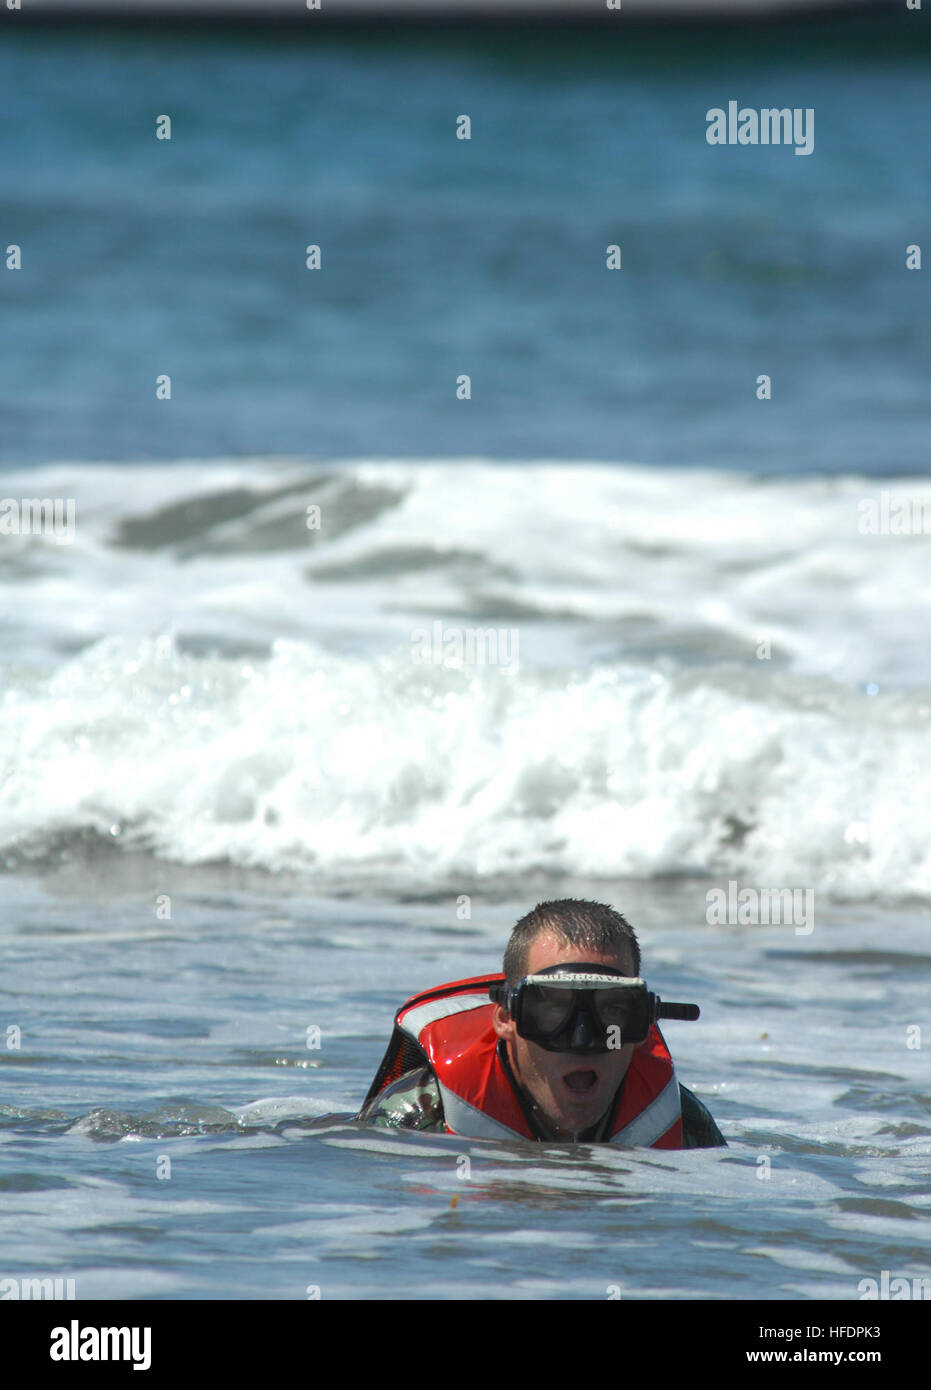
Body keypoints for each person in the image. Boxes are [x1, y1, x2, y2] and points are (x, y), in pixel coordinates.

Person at [358, 899, 725, 1147]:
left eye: (613, 1011)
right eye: (552, 1010)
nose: (583, 1039)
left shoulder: (683, 1126)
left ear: (642, 1023)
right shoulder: (417, 1119)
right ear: (506, 1018)